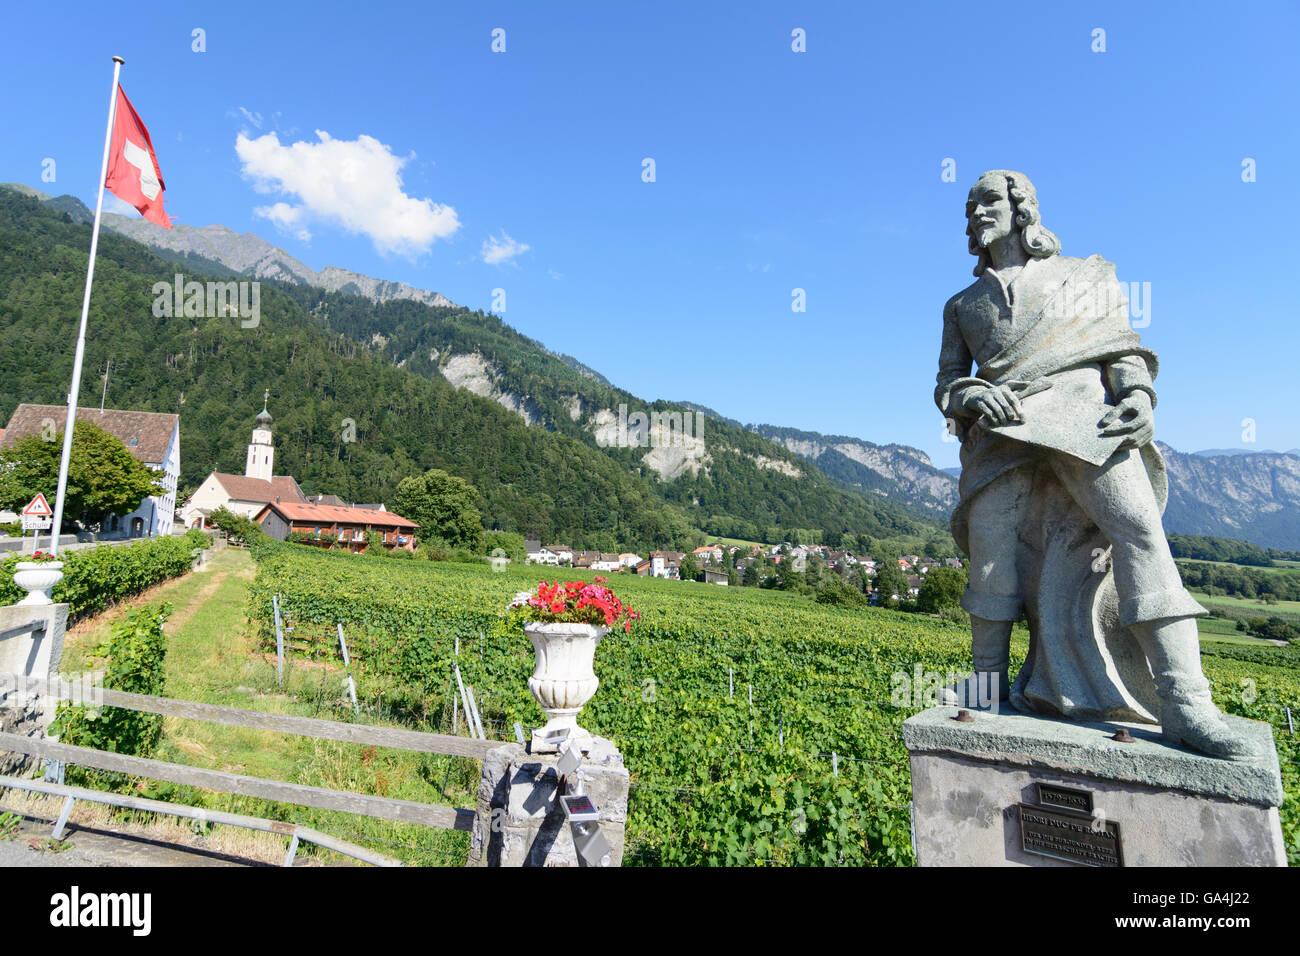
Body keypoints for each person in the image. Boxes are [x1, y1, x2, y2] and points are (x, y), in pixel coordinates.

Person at [934, 169, 1256, 758]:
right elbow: (948, 384)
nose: (976, 214)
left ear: (1021, 206)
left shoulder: (1082, 277)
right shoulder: (962, 305)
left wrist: (1137, 396)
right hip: (1001, 437)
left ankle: (1185, 702)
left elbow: (1122, 351)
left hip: (1086, 418)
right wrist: (971, 395)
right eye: (969, 206)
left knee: (1139, 532)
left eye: (988, 202)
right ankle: (986, 687)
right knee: (991, 560)